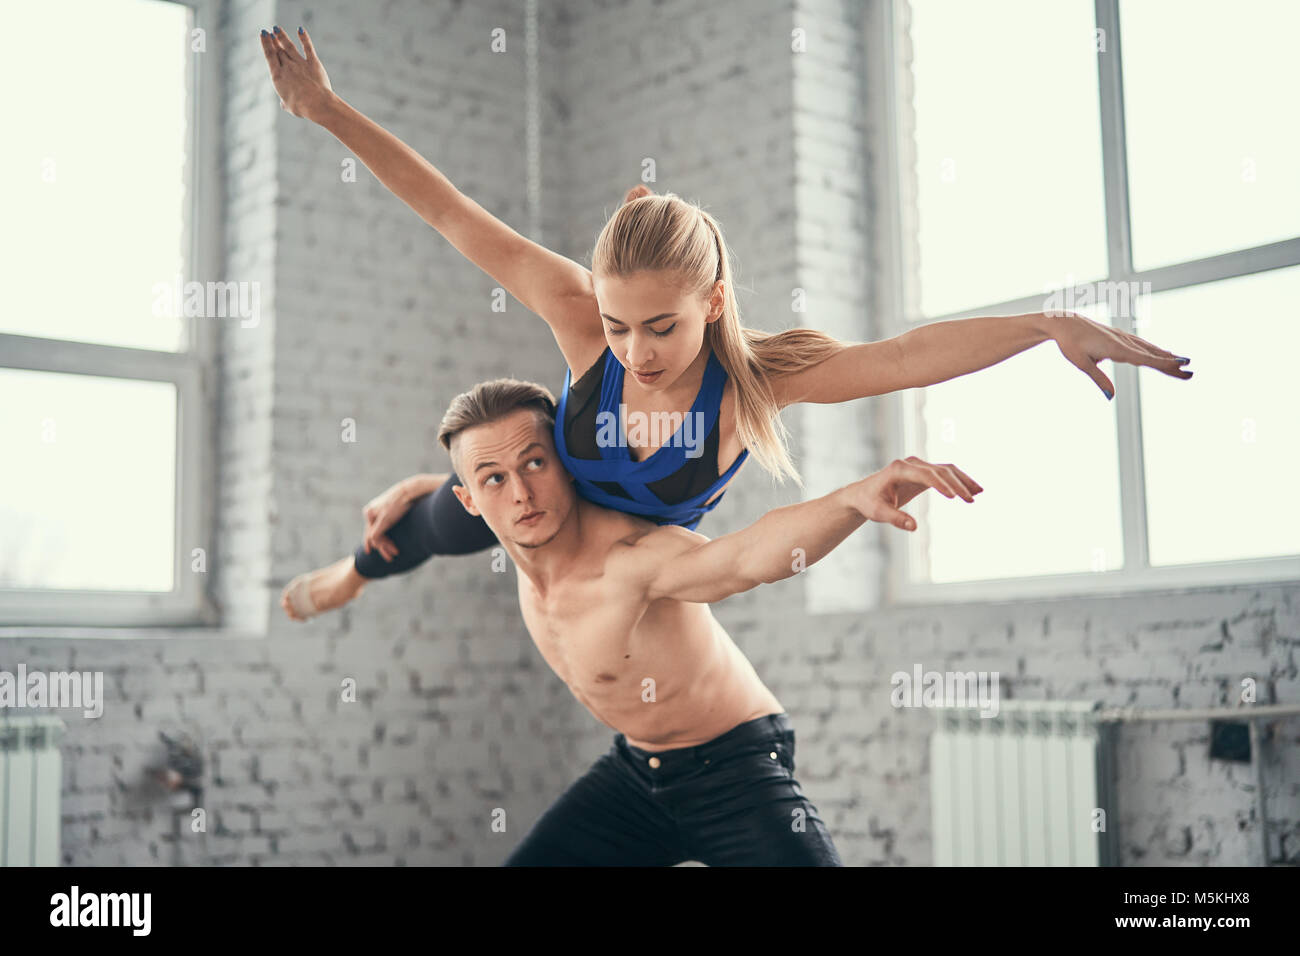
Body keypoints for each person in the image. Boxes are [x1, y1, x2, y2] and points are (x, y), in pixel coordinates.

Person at [259, 26, 1191, 621]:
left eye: (659, 327)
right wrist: (327, 110)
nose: (635, 353)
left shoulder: (757, 380)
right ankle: (365, 557)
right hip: (557, 502)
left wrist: (1042, 326)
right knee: (429, 527)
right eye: (619, 328)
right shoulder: (586, 324)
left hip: (637, 565)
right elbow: (456, 213)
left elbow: (906, 356)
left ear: (711, 302)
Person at [406, 377, 982, 865]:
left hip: (734, 766)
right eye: (495, 479)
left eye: (536, 462)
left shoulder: (629, 559)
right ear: (471, 502)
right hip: (636, 773)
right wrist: (402, 502)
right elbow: (430, 522)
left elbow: (741, 560)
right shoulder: (504, 521)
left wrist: (850, 501)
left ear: (567, 466)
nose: (523, 493)